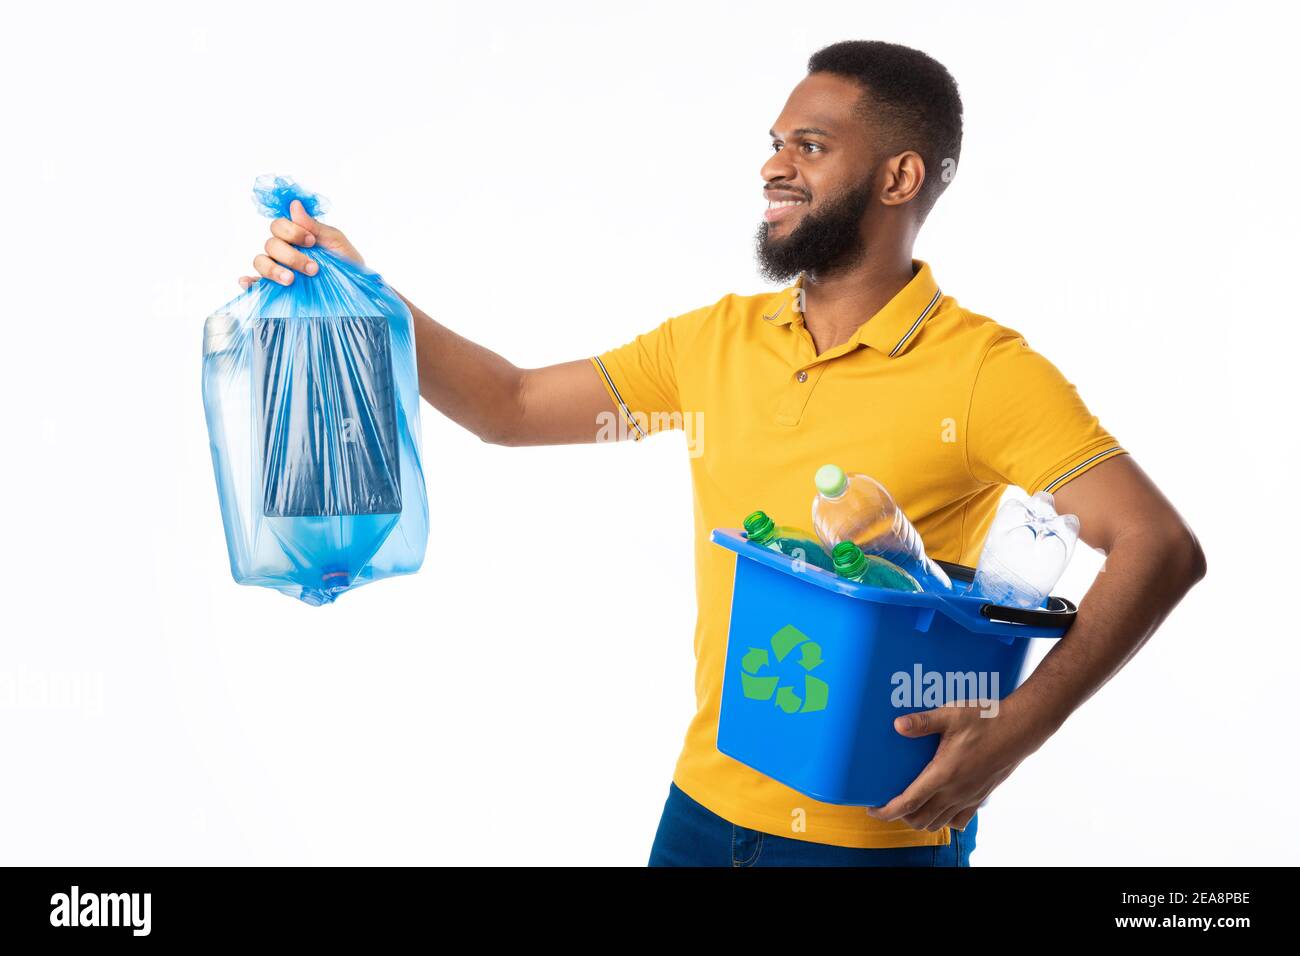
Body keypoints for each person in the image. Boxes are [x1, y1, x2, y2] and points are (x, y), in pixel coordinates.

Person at [238, 40, 1206, 867]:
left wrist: (1015, 729)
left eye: (810, 146)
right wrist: (366, 292)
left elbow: (1156, 545)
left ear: (898, 177)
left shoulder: (982, 372)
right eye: (775, 144)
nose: (773, 166)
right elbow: (510, 404)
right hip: (701, 807)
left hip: (872, 835)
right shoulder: (716, 342)